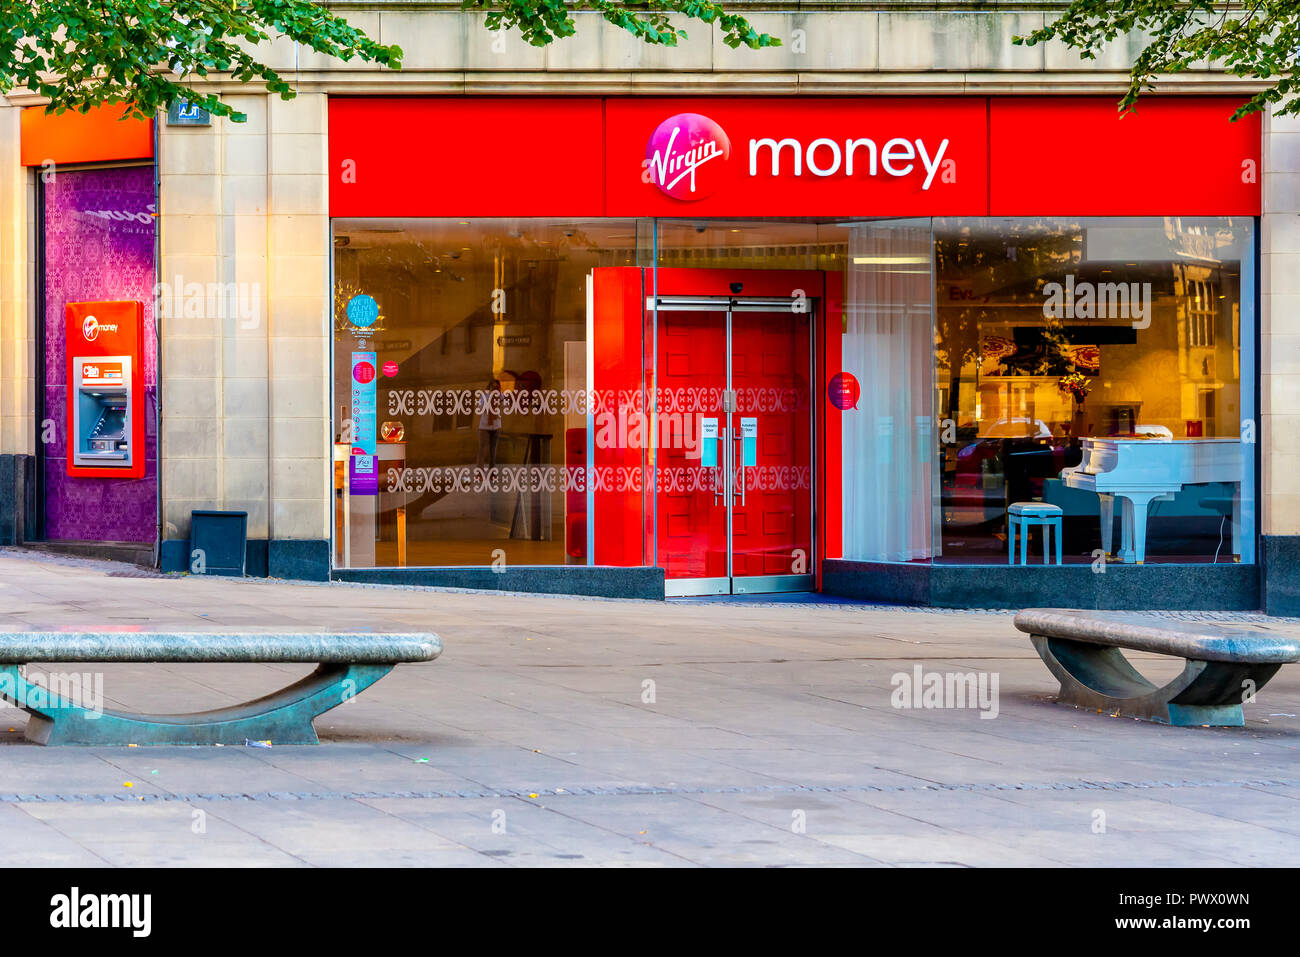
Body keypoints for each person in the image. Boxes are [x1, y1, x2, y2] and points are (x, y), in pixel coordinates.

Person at [476, 378, 502, 470]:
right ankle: (479, 471)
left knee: (493, 450)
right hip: (484, 426)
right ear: (490, 387)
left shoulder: (501, 396)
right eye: (493, 386)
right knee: (482, 450)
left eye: (497, 387)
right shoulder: (484, 396)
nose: (495, 388)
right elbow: (479, 408)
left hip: (496, 426)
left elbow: (508, 404)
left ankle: (492, 471)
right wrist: (489, 400)